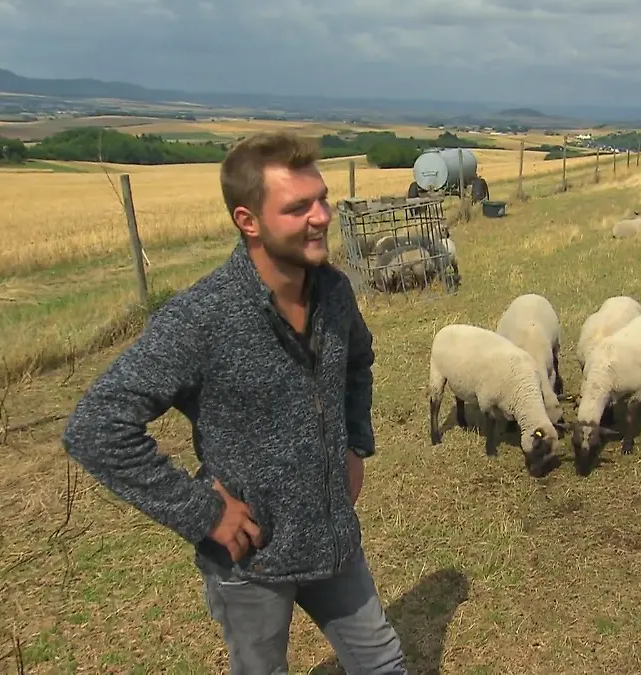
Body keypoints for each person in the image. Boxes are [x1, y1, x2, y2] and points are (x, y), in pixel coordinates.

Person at [61, 131, 408, 674]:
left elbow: (357, 362)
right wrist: (203, 511)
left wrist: (355, 443)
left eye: (322, 199)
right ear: (248, 220)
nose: (321, 216)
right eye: (298, 207)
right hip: (251, 561)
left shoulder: (334, 292)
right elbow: (96, 426)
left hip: (333, 536)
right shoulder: (203, 318)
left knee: (383, 662)